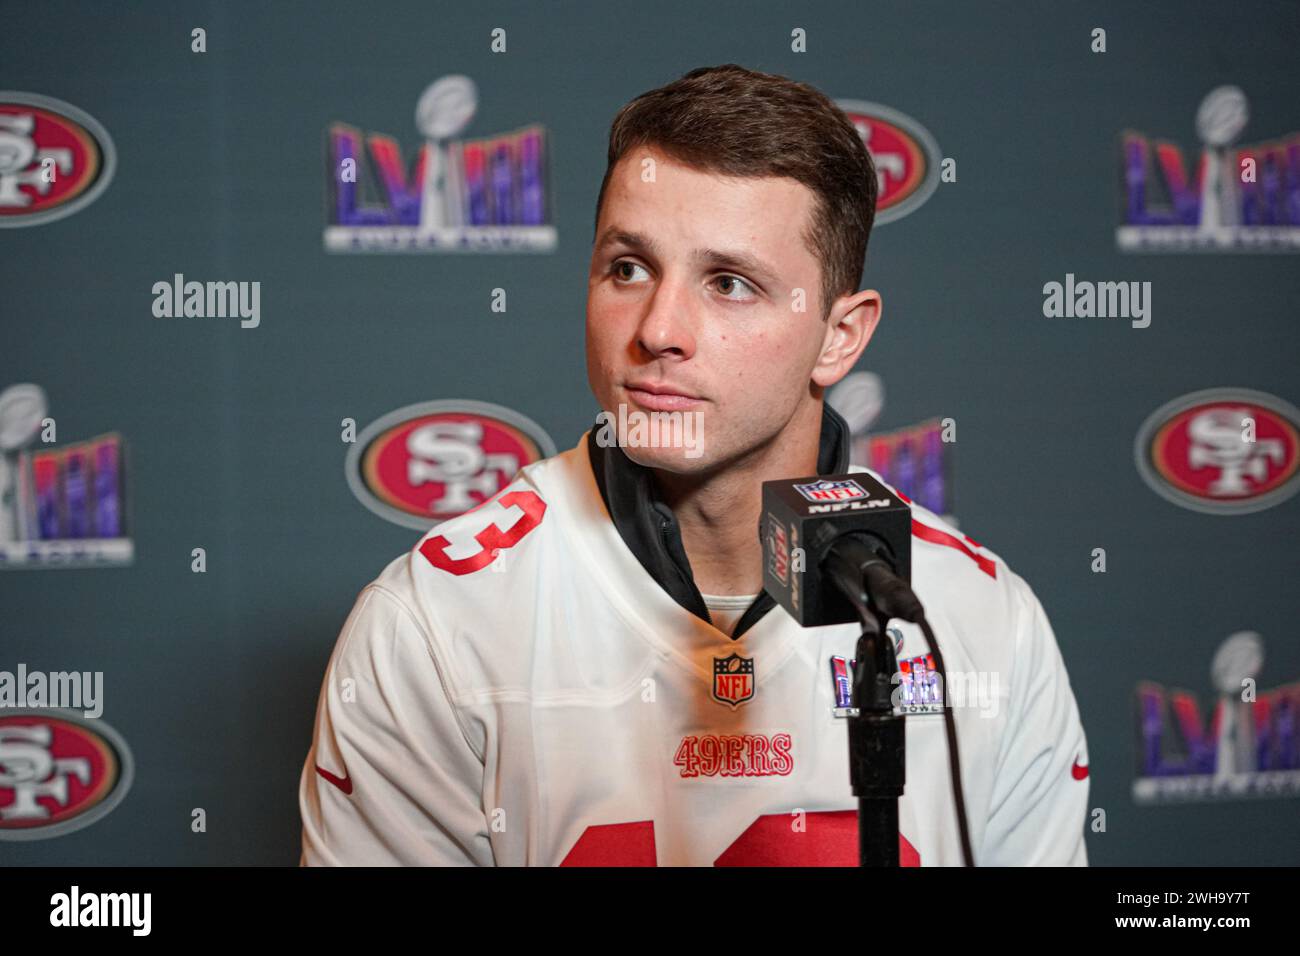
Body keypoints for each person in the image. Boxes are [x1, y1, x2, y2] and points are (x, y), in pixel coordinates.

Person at [299, 63, 1090, 865]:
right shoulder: (437, 625)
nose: (657, 329)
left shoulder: (983, 625)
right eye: (629, 268)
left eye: (729, 283)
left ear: (838, 337)